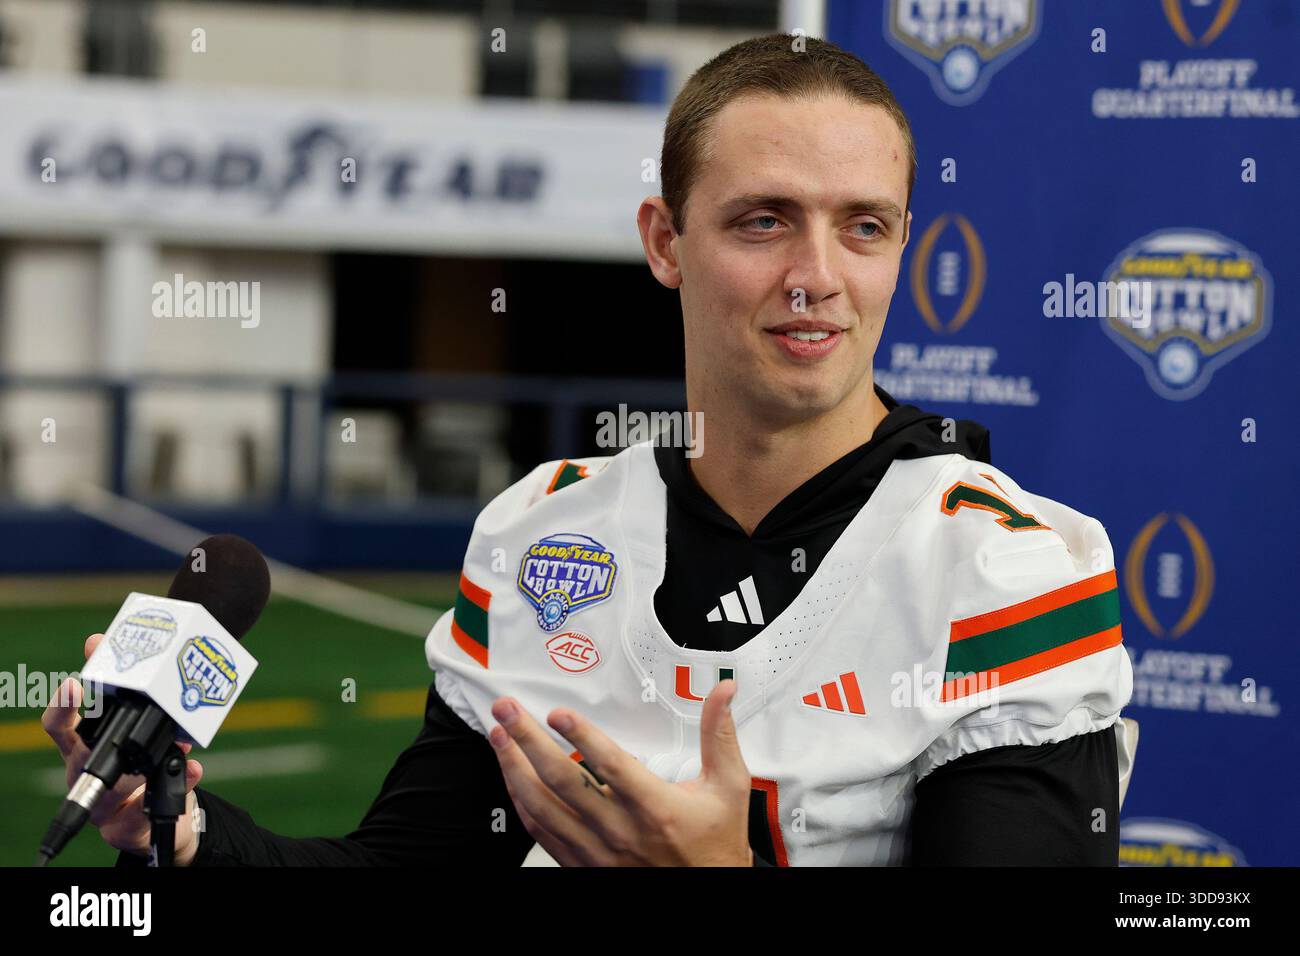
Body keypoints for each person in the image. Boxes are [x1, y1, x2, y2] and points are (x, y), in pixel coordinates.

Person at [43, 33, 1133, 867]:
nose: (816, 274)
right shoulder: (542, 533)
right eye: (763, 221)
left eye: (863, 225)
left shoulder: (1001, 567)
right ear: (665, 241)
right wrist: (182, 831)